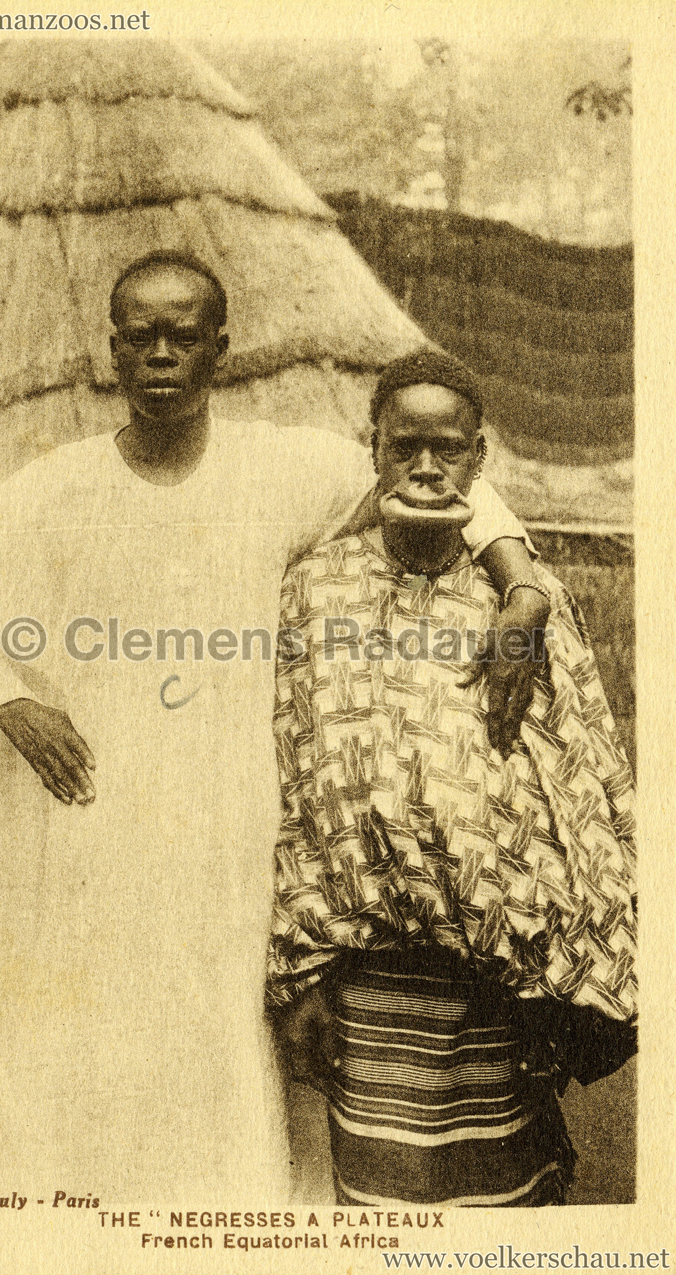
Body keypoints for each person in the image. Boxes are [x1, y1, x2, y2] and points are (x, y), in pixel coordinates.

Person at [0, 254, 550, 1201]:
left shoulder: (282, 467)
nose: (160, 354)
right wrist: (13, 703)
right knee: (98, 1023)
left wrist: (523, 593)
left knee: (222, 1029)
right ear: (112, 351)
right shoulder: (58, 488)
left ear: (220, 348)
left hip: (232, 815)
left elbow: (434, 476)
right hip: (101, 814)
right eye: (140, 336)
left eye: (183, 336)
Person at [266, 351, 637, 1207]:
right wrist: (299, 973)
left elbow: (582, 786)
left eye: (449, 449)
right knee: (381, 1212)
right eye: (405, 447)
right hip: (368, 980)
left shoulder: (530, 606)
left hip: (499, 987)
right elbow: (292, 787)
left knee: (501, 1209)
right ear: (374, 450)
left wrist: (559, 976)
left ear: (480, 458)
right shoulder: (315, 592)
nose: (427, 468)